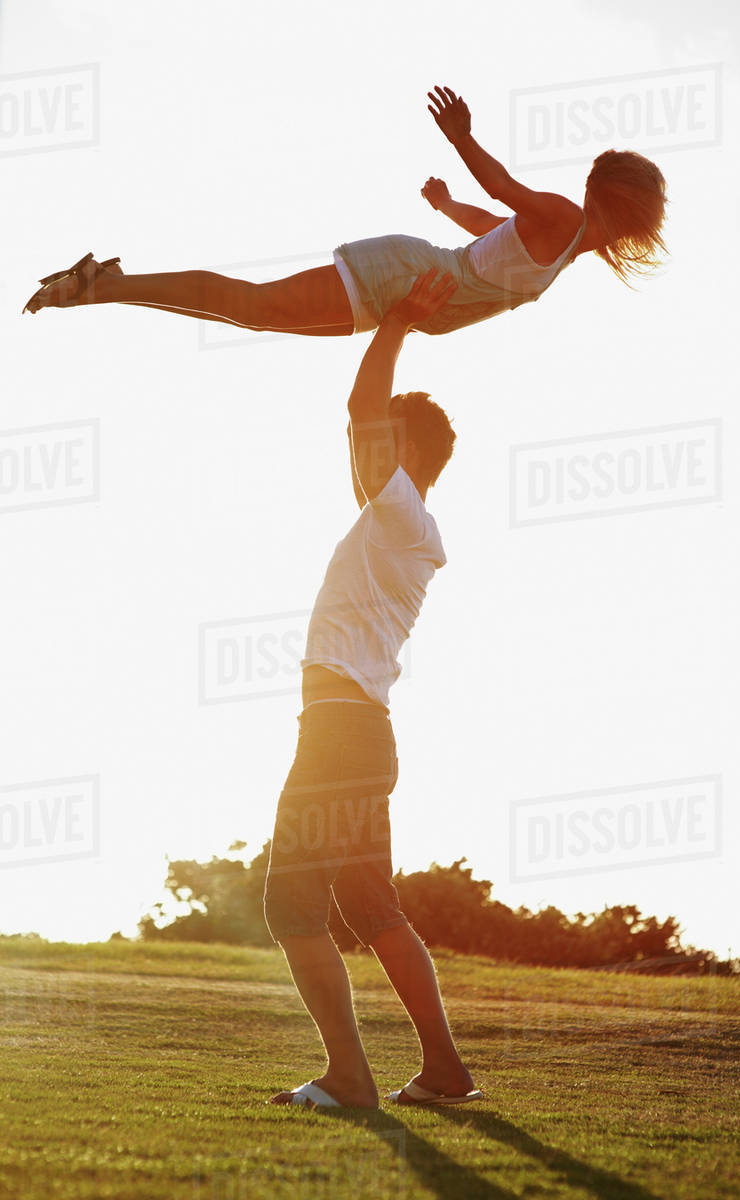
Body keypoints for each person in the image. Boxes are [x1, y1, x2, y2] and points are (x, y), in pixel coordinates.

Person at [262, 268, 482, 1109]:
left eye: (389, 438)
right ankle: (445, 1071)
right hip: (360, 733)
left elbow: (359, 416)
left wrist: (392, 325)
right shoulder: (403, 525)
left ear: (411, 453)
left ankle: (350, 1079)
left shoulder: (399, 517)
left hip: (340, 734)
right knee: (368, 900)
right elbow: (359, 434)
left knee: (289, 902)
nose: (370, 446)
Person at [23, 86, 667, 336]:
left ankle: (105, 288)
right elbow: (502, 190)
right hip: (402, 277)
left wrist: (445, 204)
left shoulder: (559, 248)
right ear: (620, 204)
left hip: (407, 295)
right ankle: (103, 287)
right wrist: (462, 139)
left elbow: (489, 233)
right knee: (254, 305)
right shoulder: (563, 218)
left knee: (256, 317)